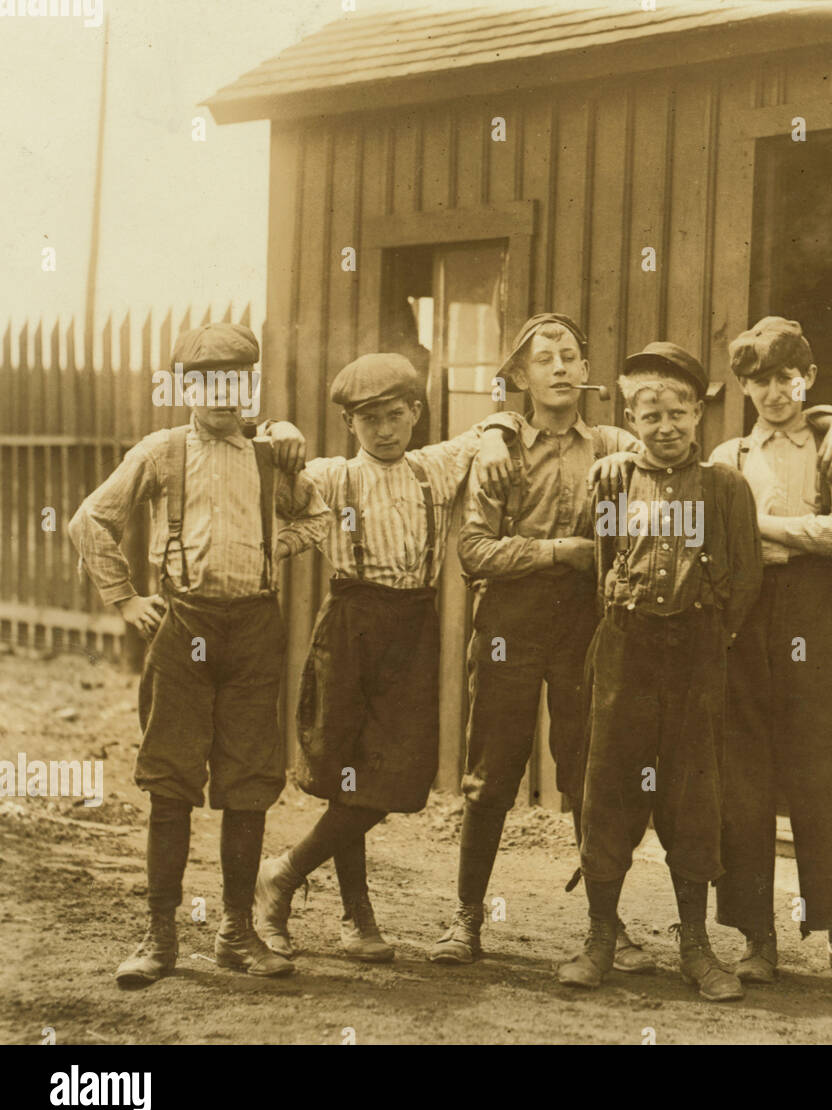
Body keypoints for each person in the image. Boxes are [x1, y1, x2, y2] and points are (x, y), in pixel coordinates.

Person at [67, 323, 330, 988]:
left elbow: (320, 518)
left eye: (236, 382)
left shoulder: (272, 455)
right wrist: (125, 599)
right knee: (169, 783)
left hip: (253, 631)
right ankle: (160, 938)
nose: (222, 396)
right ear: (186, 386)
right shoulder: (162, 451)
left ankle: (236, 933)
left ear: (250, 386)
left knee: (248, 786)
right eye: (207, 382)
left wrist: (277, 547)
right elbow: (89, 520)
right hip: (184, 627)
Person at [253, 353, 519, 962]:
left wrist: (501, 435)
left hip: (412, 629)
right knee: (347, 772)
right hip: (350, 624)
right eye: (367, 419)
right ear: (350, 424)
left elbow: (494, 423)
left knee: (397, 772)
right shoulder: (331, 476)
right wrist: (279, 432)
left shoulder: (435, 467)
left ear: (416, 413)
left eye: (394, 415)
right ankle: (357, 919)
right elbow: (275, 478)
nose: (383, 430)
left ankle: (283, 873)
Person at [431, 313, 654, 973]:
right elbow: (473, 551)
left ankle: (604, 923)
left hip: (585, 625)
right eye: (544, 358)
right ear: (519, 377)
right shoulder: (499, 448)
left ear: (587, 372)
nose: (560, 367)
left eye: (571, 356)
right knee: (492, 771)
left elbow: (665, 468)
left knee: (592, 767)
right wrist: (561, 549)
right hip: (510, 621)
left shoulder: (613, 444)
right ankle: (468, 917)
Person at [557, 342, 762, 1002]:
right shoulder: (612, 479)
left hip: (697, 653)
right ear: (631, 416)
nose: (666, 426)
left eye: (679, 412)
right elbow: (601, 564)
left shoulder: (726, 487)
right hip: (626, 650)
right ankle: (598, 938)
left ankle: (695, 946)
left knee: (691, 793)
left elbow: (745, 579)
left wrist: (706, 632)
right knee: (609, 785)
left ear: (699, 412)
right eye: (650, 414)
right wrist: (634, 623)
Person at [710, 316, 832, 987]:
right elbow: (713, 542)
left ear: (808, 376)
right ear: (744, 384)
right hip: (745, 617)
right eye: (758, 378)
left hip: (813, 614)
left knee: (826, 771)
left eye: (786, 376)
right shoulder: (728, 457)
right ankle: (758, 938)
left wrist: (760, 526)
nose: (773, 391)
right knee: (745, 776)